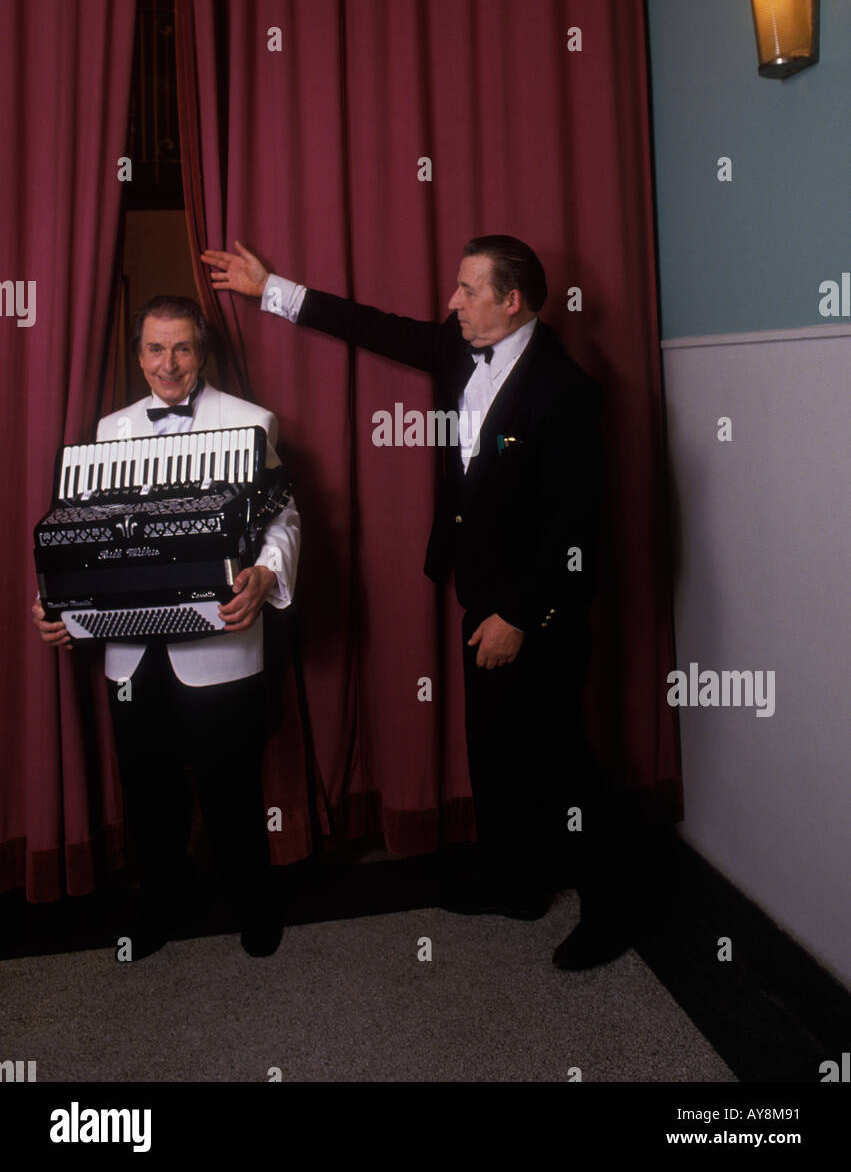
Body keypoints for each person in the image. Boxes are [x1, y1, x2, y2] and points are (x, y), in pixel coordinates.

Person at [202, 236, 630, 970]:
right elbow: (374, 326)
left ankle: (610, 911)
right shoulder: (458, 349)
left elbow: (576, 527)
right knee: (494, 755)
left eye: (467, 290)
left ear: (511, 301)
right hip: (481, 595)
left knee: (561, 764)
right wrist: (271, 288)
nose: (452, 302)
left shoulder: (566, 389)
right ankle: (515, 884)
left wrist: (520, 618)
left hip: (537, 614)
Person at [32, 296, 300, 959]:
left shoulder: (251, 421)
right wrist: (58, 605)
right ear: (138, 355)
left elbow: (283, 520)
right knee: (148, 788)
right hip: (130, 650)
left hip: (220, 643)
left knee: (231, 787)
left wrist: (266, 577)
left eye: (181, 348)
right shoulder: (109, 429)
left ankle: (253, 905)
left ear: (202, 354)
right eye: (154, 349)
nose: (168, 364)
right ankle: (162, 904)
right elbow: (92, 538)